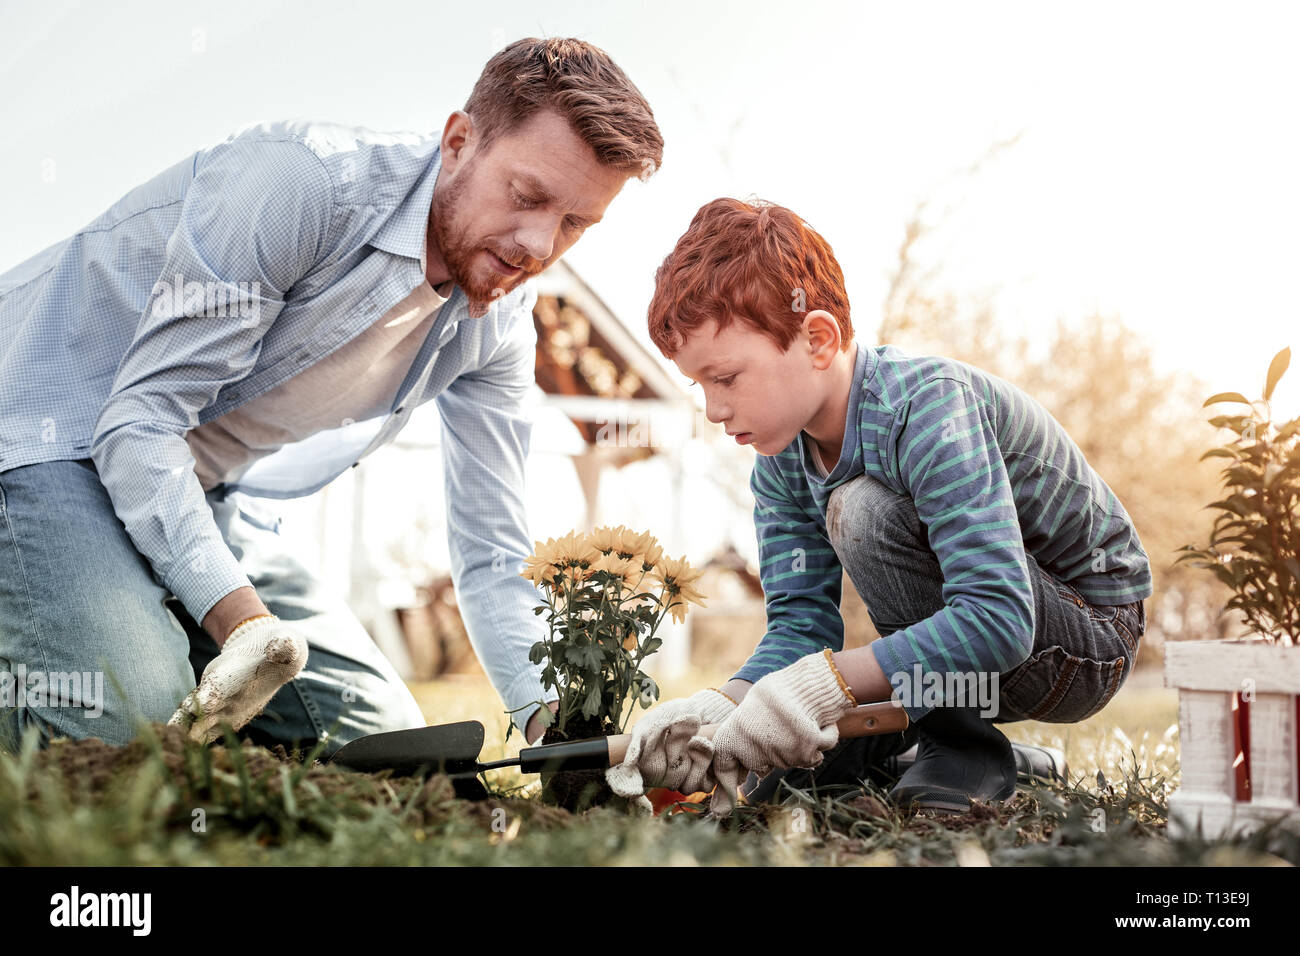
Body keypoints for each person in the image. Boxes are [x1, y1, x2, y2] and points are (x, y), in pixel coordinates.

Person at [0, 37, 662, 758]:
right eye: (527, 196)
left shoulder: (497, 325)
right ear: (458, 142)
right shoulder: (300, 184)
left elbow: (493, 550)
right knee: (128, 727)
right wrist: (245, 625)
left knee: (393, 749)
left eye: (575, 224)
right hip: (47, 439)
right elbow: (138, 423)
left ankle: (127, 630)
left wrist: (558, 732)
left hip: (204, 489)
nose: (540, 243)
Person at [607, 197, 1150, 815]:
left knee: (861, 511)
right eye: (698, 385)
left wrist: (825, 686)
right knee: (795, 774)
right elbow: (800, 631)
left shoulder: (926, 409)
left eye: (727, 378)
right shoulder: (780, 460)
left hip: (1087, 637)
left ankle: (959, 746)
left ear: (817, 338)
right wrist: (719, 707)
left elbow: (999, 616)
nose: (713, 409)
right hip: (993, 653)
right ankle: (937, 750)